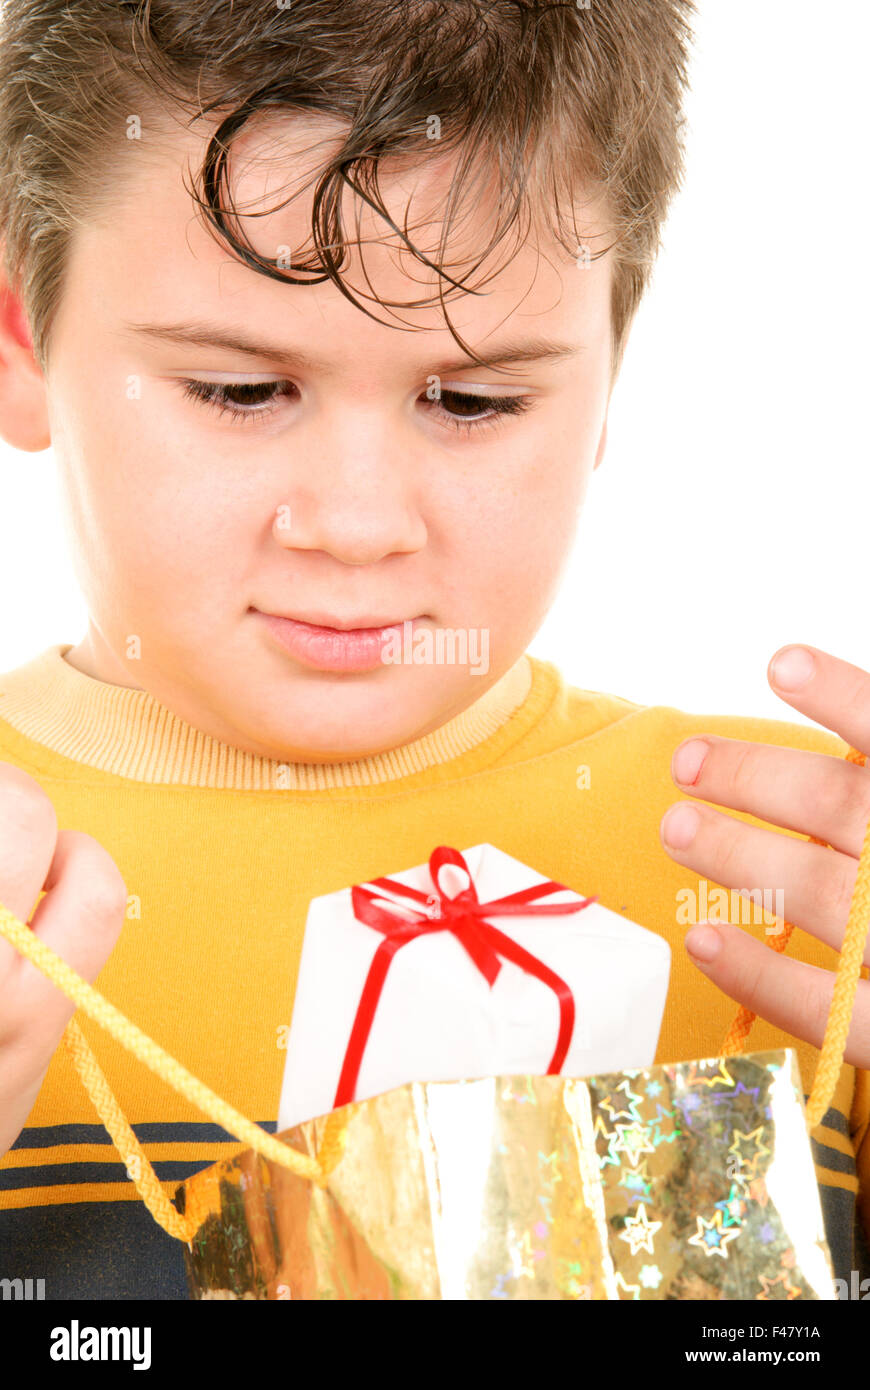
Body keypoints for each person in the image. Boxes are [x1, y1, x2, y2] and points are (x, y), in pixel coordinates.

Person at [0, 0, 865, 1299]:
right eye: (240, 391)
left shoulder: (817, 878)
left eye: (471, 400)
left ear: (609, 378)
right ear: (21, 337)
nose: (354, 526)